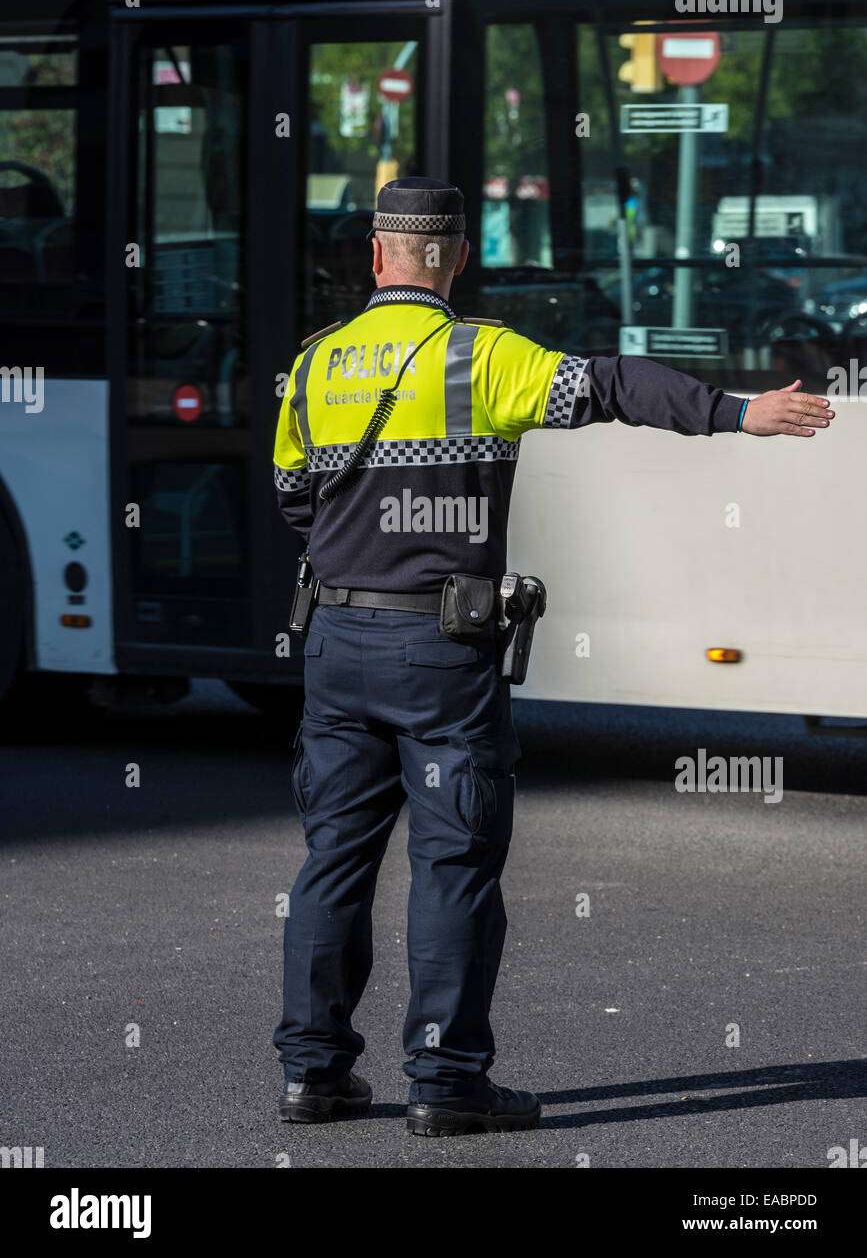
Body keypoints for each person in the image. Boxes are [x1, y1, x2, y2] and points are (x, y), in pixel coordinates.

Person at [271, 177, 833, 1137]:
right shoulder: (479, 356)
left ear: (375, 257)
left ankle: (312, 1077)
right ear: (456, 257)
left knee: (332, 862)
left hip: (334, 641)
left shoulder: (314, 363)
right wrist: (736, 412)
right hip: (439, 653)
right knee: (452, 864)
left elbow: (295, 497)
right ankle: (446, 1086)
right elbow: (612, 383)